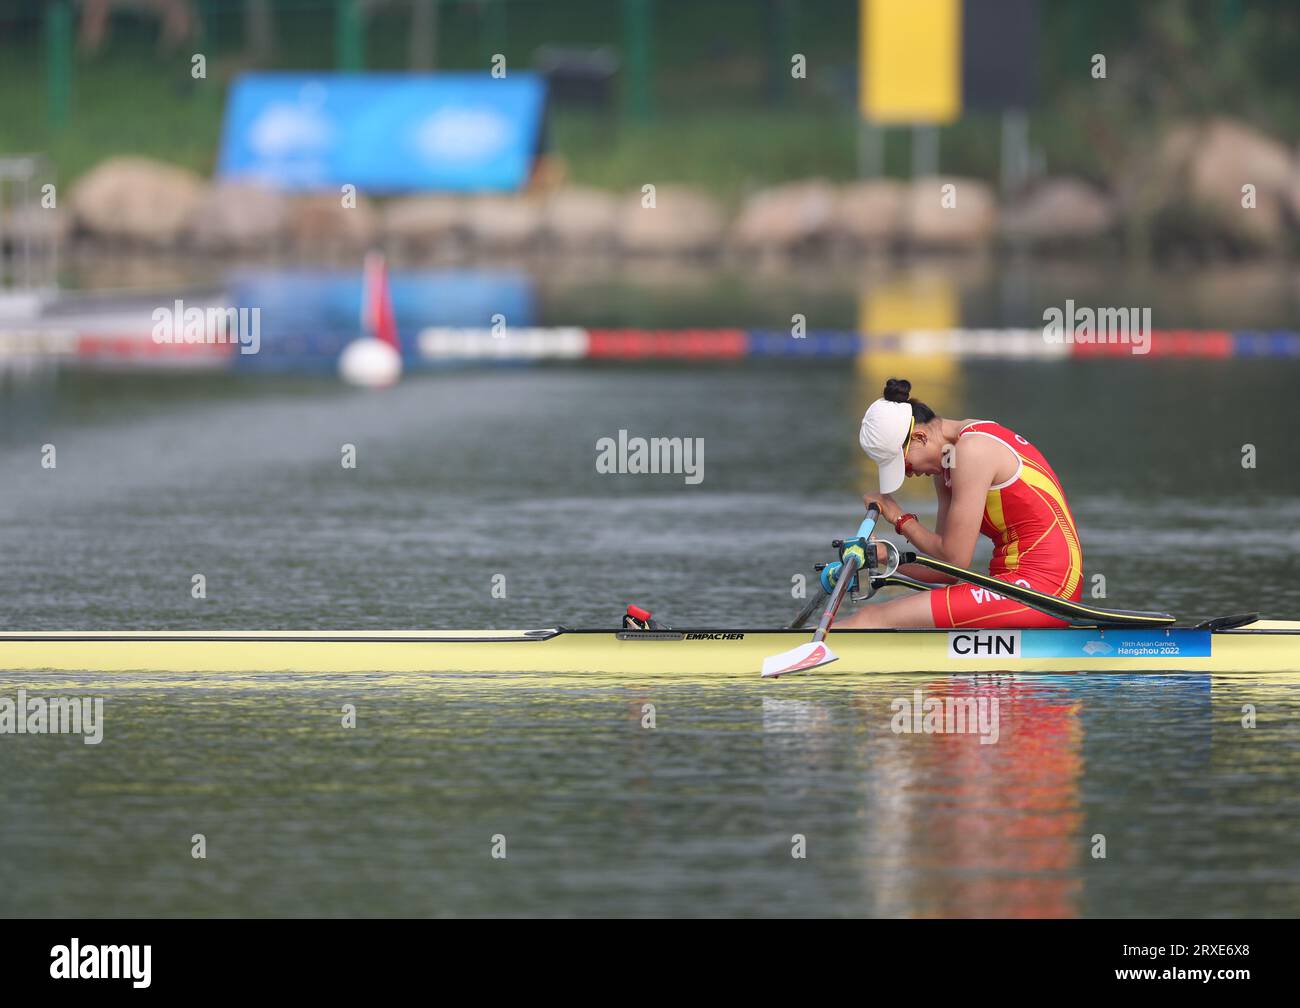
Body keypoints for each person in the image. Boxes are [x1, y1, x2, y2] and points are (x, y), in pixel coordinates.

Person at [840, 378, 1083, 628]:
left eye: (905, 465)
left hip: (1045, 589)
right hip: (1013, 581)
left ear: (921, 437)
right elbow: (945, 572)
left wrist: (899, 518)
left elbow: (955, 560)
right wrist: (882, 555)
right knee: (875, 618)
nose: (909, 474)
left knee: (871, 619)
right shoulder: (949, 458)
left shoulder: (972, 451)